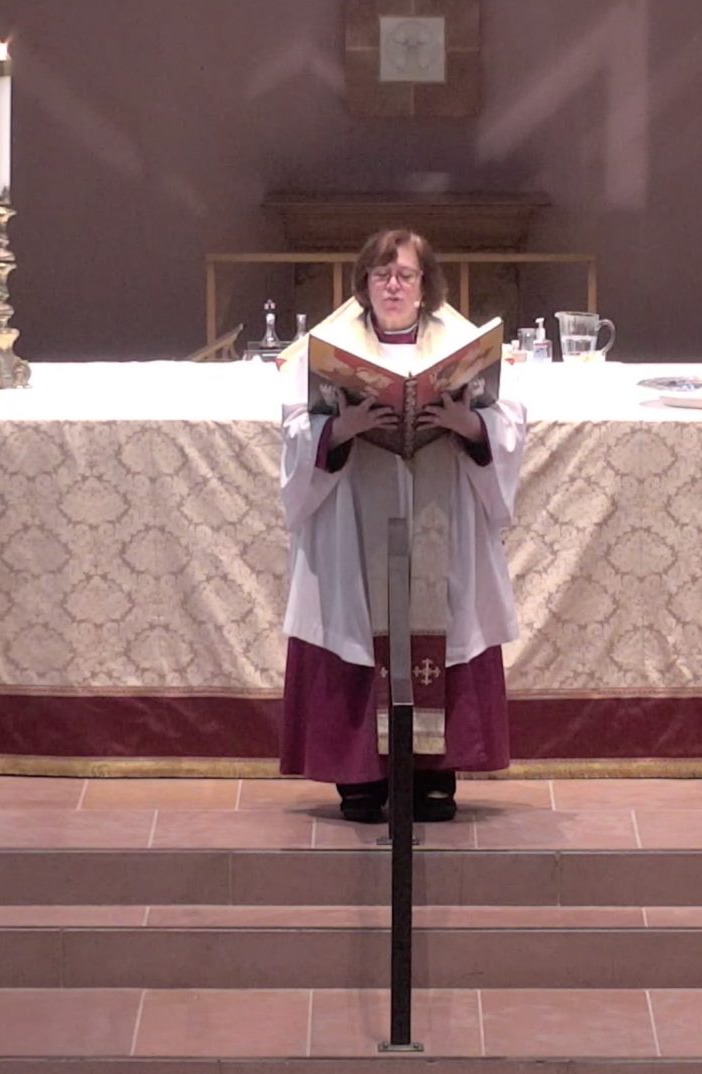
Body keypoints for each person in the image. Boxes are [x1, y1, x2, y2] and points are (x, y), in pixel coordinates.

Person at [276, 229, 526, 823]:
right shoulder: (329, 347)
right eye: (381, 275)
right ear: (364, 283)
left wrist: (469, 426)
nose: (393, 286)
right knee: (358, 627)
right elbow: (294, 431)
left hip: (441, 518)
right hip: (356, 515)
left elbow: (507, 423)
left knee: (442, 626)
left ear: (425, 286)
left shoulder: (462, 344)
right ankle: (359, 775)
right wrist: (342, 428)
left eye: (406, 275)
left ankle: (434, 774)